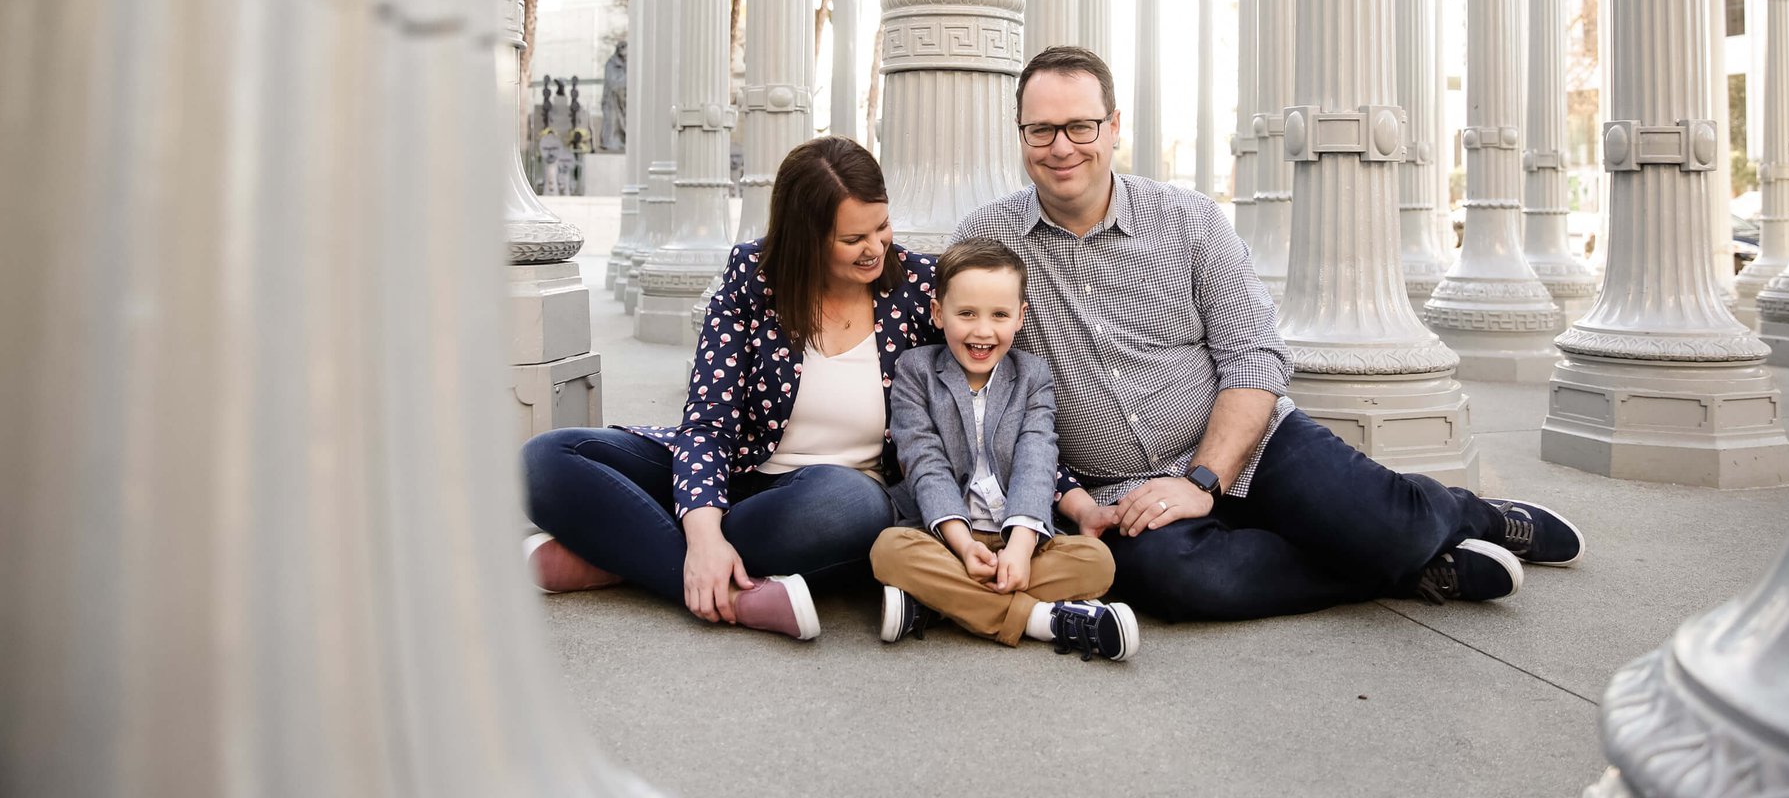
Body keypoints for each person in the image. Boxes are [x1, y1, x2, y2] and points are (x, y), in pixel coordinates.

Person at [953, 45, 1585, 623]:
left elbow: (1253, 358)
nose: (1061, 146)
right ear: (1022, 135)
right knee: (1177, 581)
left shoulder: (1189, 219)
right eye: (1041, 129)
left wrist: (1203, 480)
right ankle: (1411, 570)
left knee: (1390, 524)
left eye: (1080, 126)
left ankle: (1471, 517)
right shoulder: (987, 241)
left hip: (1254, 444)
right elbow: (964, 373)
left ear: (1113, 127)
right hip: (1120, 488)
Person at [521, 136, 939, 640]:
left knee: (856, 507)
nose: (876, 248)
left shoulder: (920, 288)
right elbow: (708, 421)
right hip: (732, 470)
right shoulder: (753, 279)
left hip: (827, 496)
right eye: (853, 239)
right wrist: (701, 536)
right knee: (543, 459)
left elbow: (981, 397)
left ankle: (619, 552)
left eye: (882, 227)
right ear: (805, 238)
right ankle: (736, 596)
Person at [870, 238, 1139, 661]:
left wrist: (1020, 547)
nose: (983, 330)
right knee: (888, 550)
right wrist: (961, 544)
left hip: (1020, 536)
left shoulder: (1033, 376)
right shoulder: (915, 370)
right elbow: (924, 461)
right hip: (946, 539)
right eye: (966, 314)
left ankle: (935, 603)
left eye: (999, 315)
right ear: (939, 314)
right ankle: (1046, 620)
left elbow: (1037, 459)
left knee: (1097, 560)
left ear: (1019, 317)